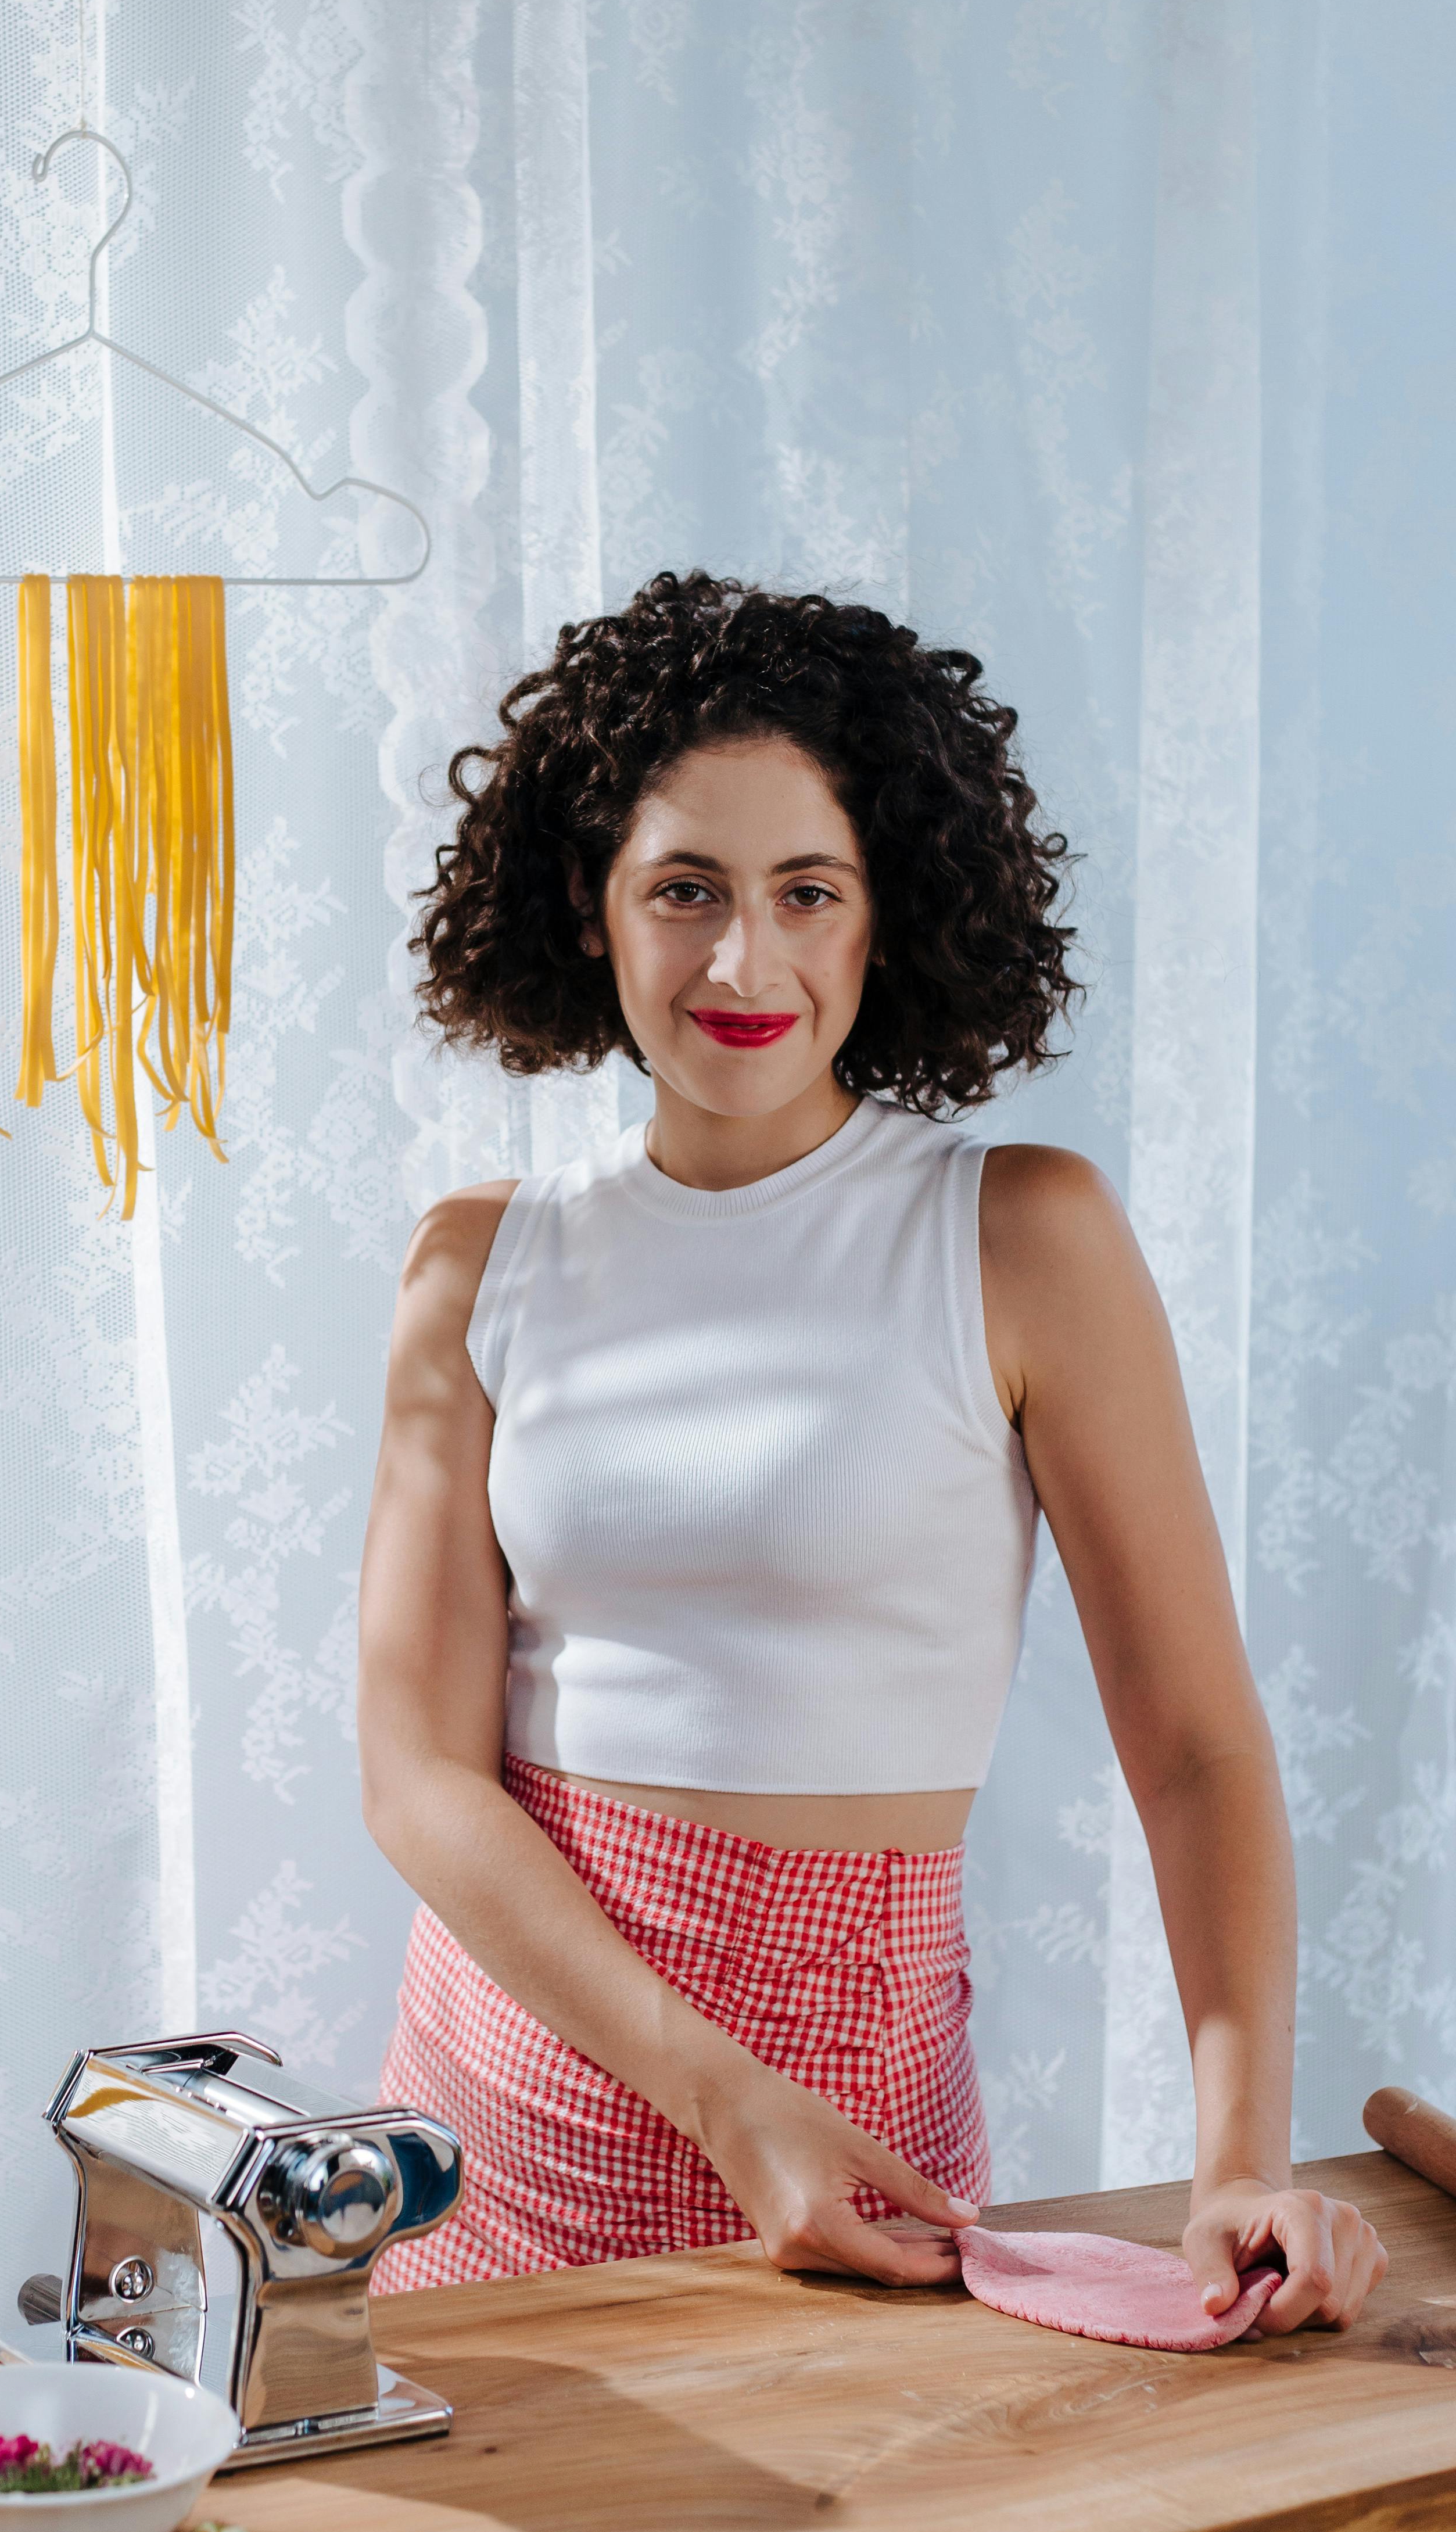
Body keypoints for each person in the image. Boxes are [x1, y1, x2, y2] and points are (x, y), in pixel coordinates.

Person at [358, 571, 1385, 2332]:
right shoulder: (478, 1259)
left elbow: (1199, 1749)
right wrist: (718, 2093)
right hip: (506, 2109)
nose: (743, 960)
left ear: (884, 919)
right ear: (588, 914)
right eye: (683, 890)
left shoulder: (1020, 1237)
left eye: (804, 893)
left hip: (861, 2122)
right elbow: (421, 1775)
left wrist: (1235, 2161)